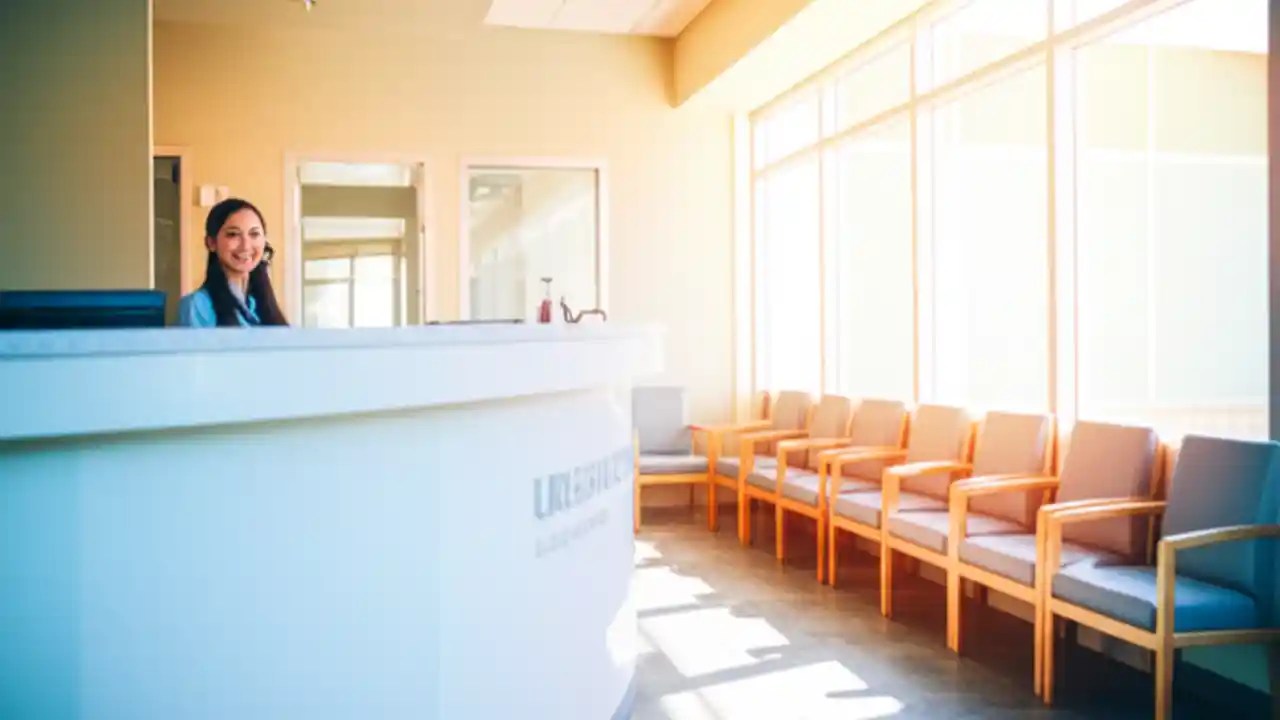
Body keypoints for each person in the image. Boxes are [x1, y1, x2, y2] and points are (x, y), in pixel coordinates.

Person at [178, 198, 289, 327]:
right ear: (211, 243)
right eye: (233, 234)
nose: (246, 246)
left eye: (254, 234)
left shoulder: (261, 305)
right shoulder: (197, 305)